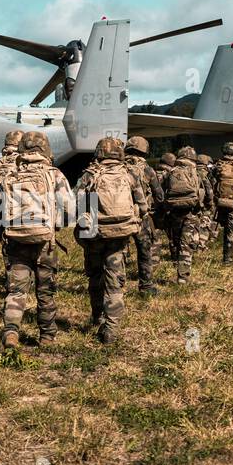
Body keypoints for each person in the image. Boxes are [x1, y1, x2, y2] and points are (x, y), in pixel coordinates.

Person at [0, 131, 70, 348]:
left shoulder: (9, 177)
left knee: (16, 291)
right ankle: (47, 337)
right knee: (45, 292)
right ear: (45, 149)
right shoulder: (55, 175)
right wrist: (54, 225)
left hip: (16, 242)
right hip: (45, 243)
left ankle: (11, 332)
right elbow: (70, 209)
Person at [75, 137, 146, 344]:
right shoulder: (129, 174)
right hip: (119, 235)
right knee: (114, 283)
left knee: (95, 277)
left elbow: (76, 205)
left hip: (95, 235)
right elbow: (142, 205)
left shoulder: (89, 175)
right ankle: (111, 330)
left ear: (98, 153)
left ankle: (97, 317)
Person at [122, 135, 163, 293]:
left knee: (120, 249)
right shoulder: (147, 169)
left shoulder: (119, 166)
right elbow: (159, 195)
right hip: (140, 215)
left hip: (121, 215)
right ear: (144, 150)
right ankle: (146, 285)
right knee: (144, 249)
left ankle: (118, 283)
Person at [160, 145, 203, 284]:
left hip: (174, 212)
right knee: (187, 244)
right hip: (191, 212)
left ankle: (175, 264)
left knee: (177, 241)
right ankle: (183, 277)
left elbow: (161, 191)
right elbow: (207, 191)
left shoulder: (171, 171)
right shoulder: (196, 172)